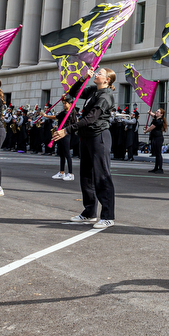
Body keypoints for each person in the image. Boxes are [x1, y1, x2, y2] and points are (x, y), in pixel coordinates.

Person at [52, 68, 117, 229]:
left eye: (99, 73)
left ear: (107, 80)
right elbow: (73, 93)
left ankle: (108, 216)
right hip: (87, 137)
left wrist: (67, 130)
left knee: (102, 176)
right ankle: (89, 212)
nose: (96, 74)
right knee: (86, 176)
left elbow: (91, 118)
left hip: (99, 136)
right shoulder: (93, 90)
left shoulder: (105, 95)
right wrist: (83, 78)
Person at [46, 96, 77, 181]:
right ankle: (62, 172)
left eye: (65, 103)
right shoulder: (65, 112)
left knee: (67, 154)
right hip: (60, 133)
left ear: (70, 104)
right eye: (63, 103)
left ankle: (70, 173)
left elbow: (56, 116)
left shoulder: (70, 113)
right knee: (62, 154)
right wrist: (63, 98)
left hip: (66, 134)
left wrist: (46, 116)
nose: (64, 105)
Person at [144, 108, 167, 173]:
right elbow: (153, 115)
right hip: (154, 137)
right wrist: (150, 112)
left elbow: (151, 127)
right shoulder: (156, 118)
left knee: (158, 153)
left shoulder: (159, 121)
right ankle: (156, 168)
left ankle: (160, 168)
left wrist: (146, 131)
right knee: (156, 153)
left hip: (158, 138)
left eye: (158, 112)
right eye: (156, 111)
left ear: (161, 114)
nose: (156, 112)